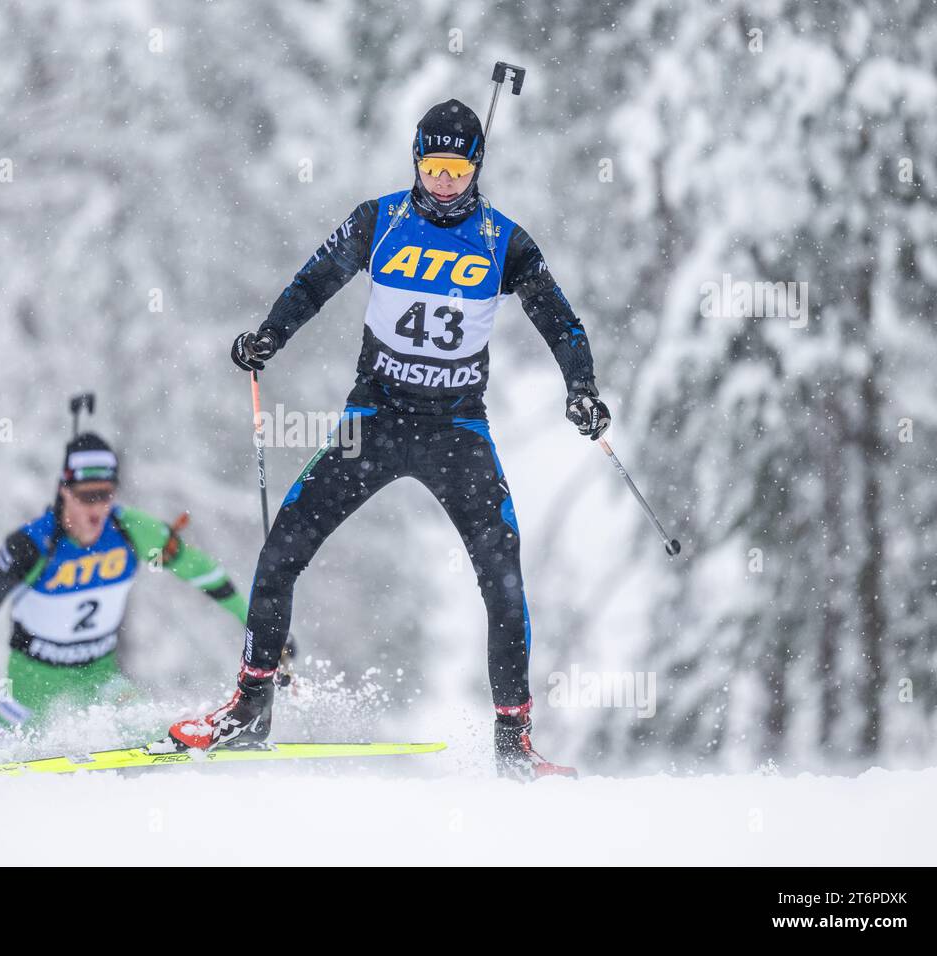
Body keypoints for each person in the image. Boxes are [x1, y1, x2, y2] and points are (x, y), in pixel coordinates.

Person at [165, 99, 610, 779]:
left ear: (477, 169)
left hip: (456, 430)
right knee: (283, 546)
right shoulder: (379, 221)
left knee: (504, 581)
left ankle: (514, 746)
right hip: (373, 421)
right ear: (415, 164)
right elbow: (314, 281)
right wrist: (269, 338)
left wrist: (580, 387)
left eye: (457, 171)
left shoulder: (505, 241)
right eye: (432, 168)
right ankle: (248, 711)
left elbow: (562, 322)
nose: (443, 185)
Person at [0, 432, 253, 733]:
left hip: (99, 680)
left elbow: (201, 571)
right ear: (64, 492)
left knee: (151, 733)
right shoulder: (32, 545)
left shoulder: (129, 530)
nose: (97, 509)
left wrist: (257, 624)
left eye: (106, 494)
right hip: (29, 689)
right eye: (87, 496)